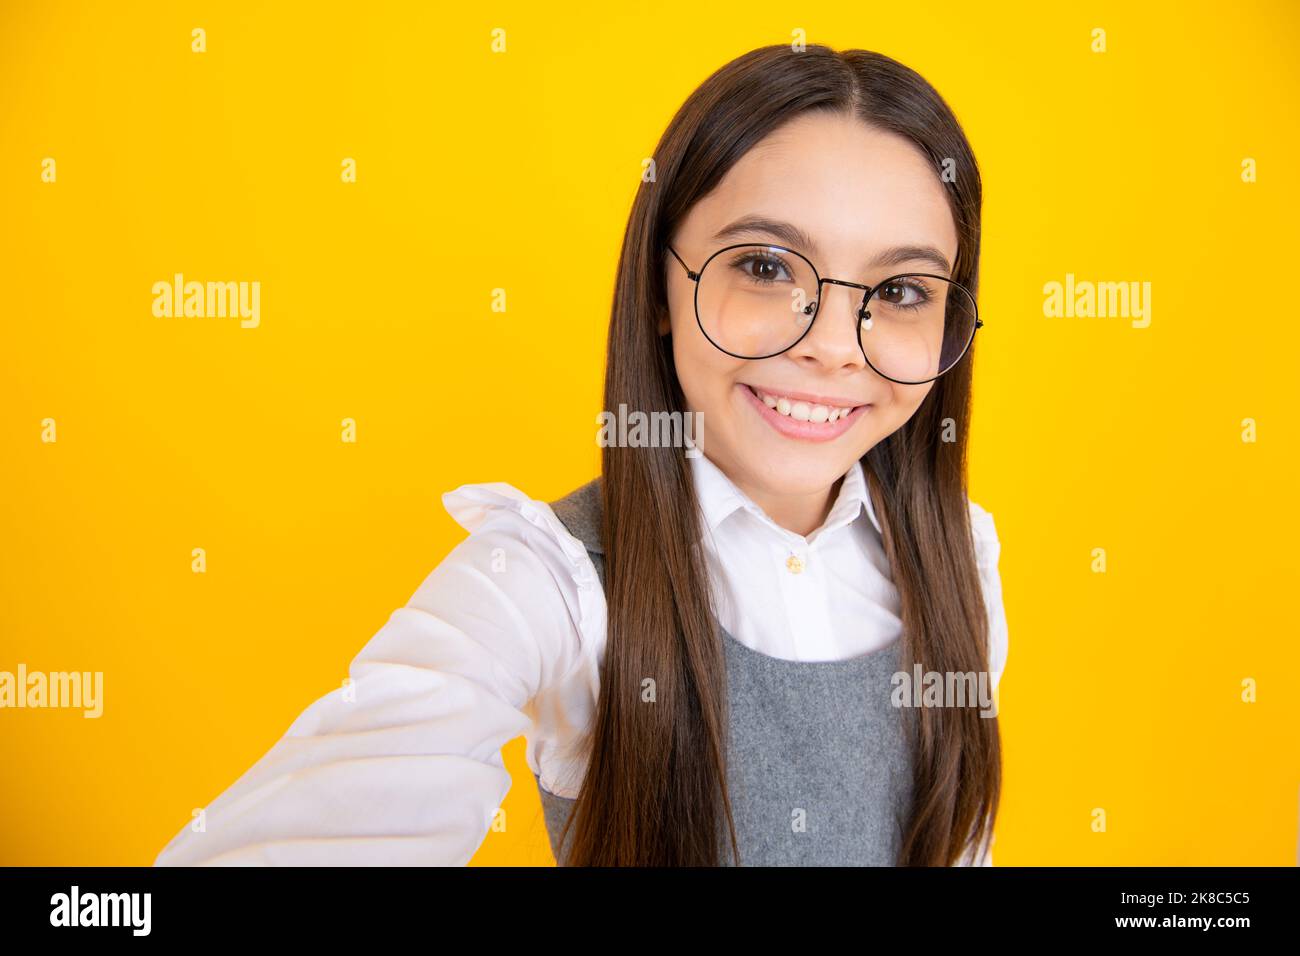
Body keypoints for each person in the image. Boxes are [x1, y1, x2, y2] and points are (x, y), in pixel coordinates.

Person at [154, 43, 1007, 867]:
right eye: (765, 265)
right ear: (659, 288)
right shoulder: (551, 581)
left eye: (900, 292)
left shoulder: (960, 557)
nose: (832, 347)